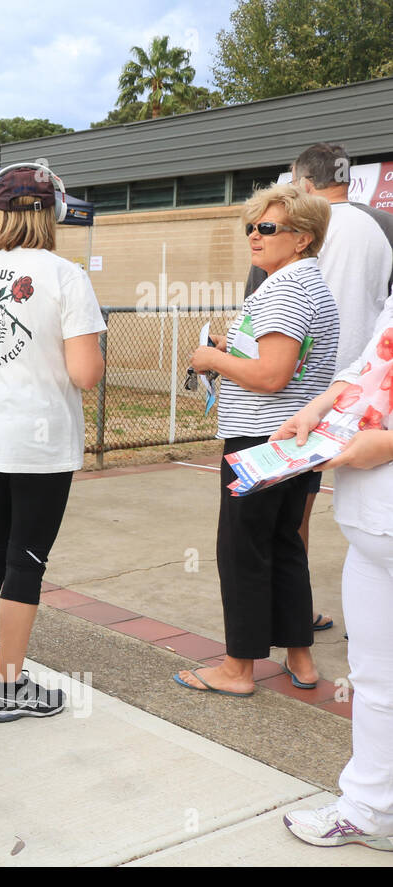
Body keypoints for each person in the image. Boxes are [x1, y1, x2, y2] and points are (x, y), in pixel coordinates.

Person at [0, 164, 105, 721]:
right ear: (53, 211)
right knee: (27, 558)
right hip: (40, 443)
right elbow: (86, 374)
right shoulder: (66, 275)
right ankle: (11, 687)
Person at [182, 183, 338, 696]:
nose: (254, 235)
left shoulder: (287, 287)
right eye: (251, 225)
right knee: (285, 545)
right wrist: (235, 349)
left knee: (243, 550)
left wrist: (210, 360)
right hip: (294, 440)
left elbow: (272, 375)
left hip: (259, 441)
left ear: (302, 238)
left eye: (267, 227)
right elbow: (283, 361)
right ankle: (302, 659)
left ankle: (238, 668)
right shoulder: (309, 282)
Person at [247, 144, 393, 632]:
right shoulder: (382, 225)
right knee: (348, 517)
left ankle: (297, 617)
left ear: (303, 182)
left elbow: (256, 320)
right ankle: (359, 610)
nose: (258, 233)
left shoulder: (286, 230)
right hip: (368, 393)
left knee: (292, 518)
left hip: (311, 391)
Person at [273, 305, 393, 851]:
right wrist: (316, 410)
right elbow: (369, 362)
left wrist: (387, 446)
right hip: (370, 527)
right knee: (373, 679)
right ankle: (370, 809)